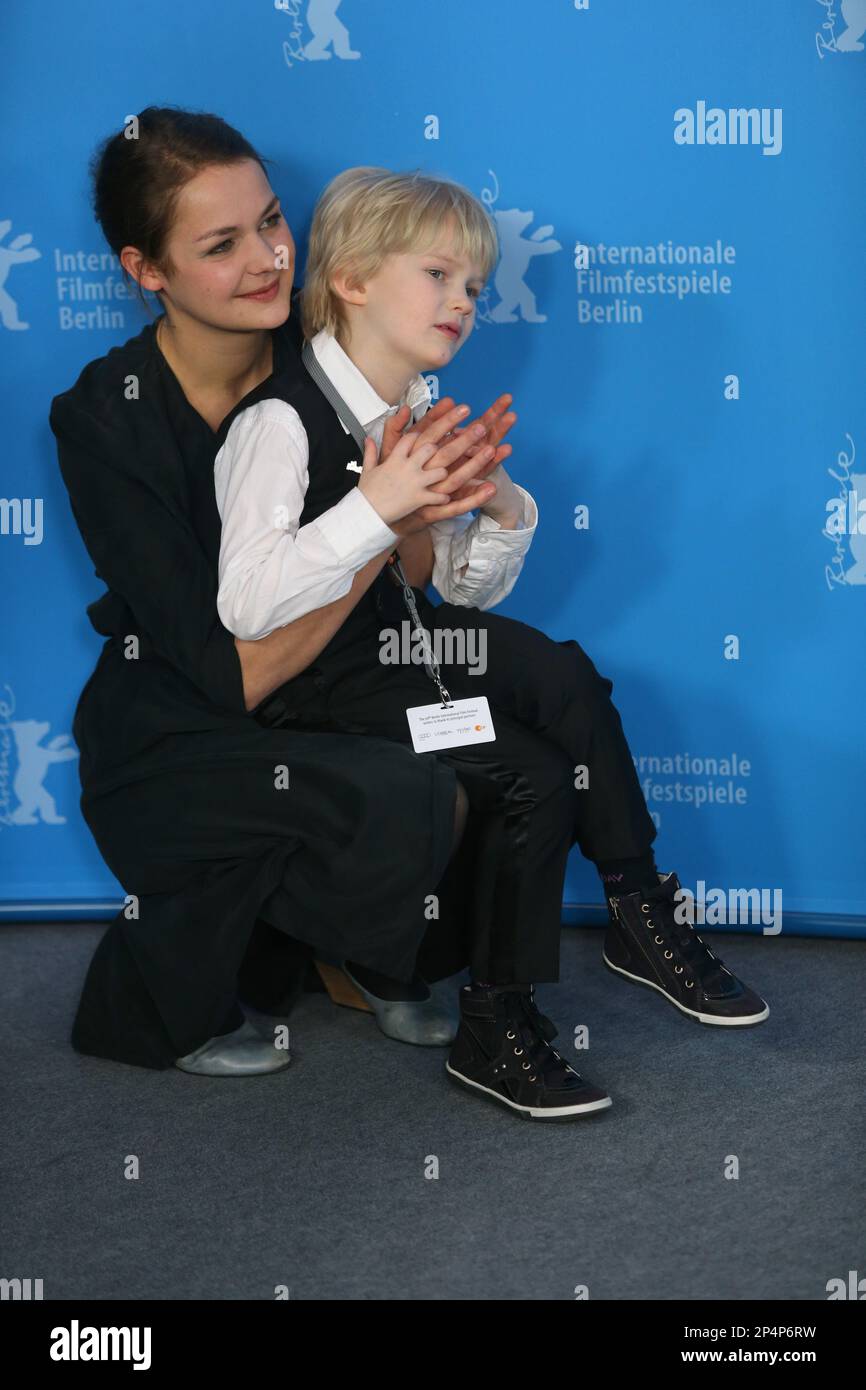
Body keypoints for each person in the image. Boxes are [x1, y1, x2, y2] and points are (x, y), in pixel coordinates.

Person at [211, 165, 770, 1122]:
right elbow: (248, 605)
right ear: (349, 278)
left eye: (474, 286)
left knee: (563, 674)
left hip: (408, 655)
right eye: (438, 275)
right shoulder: (278, 422)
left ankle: (639, 910)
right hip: (321, 690)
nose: (464, 302)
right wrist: (377, 509)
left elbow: (463, 591)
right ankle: (495, 1022)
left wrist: (495, 505)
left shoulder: (421, 409)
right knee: (532, 773)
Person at [48, 107, 508, 1076]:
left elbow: (422, 566)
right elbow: (229, 670)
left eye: (271, 222)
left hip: (336, 679)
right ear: (146, 270)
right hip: (180, 715)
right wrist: (377, 523)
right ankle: (182, 986)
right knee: (388, 786)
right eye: (221, 245)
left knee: (495, 743)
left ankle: (368, 954)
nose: (266, 259)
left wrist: (442, 509)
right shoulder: (104, 419)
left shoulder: (332, 348)